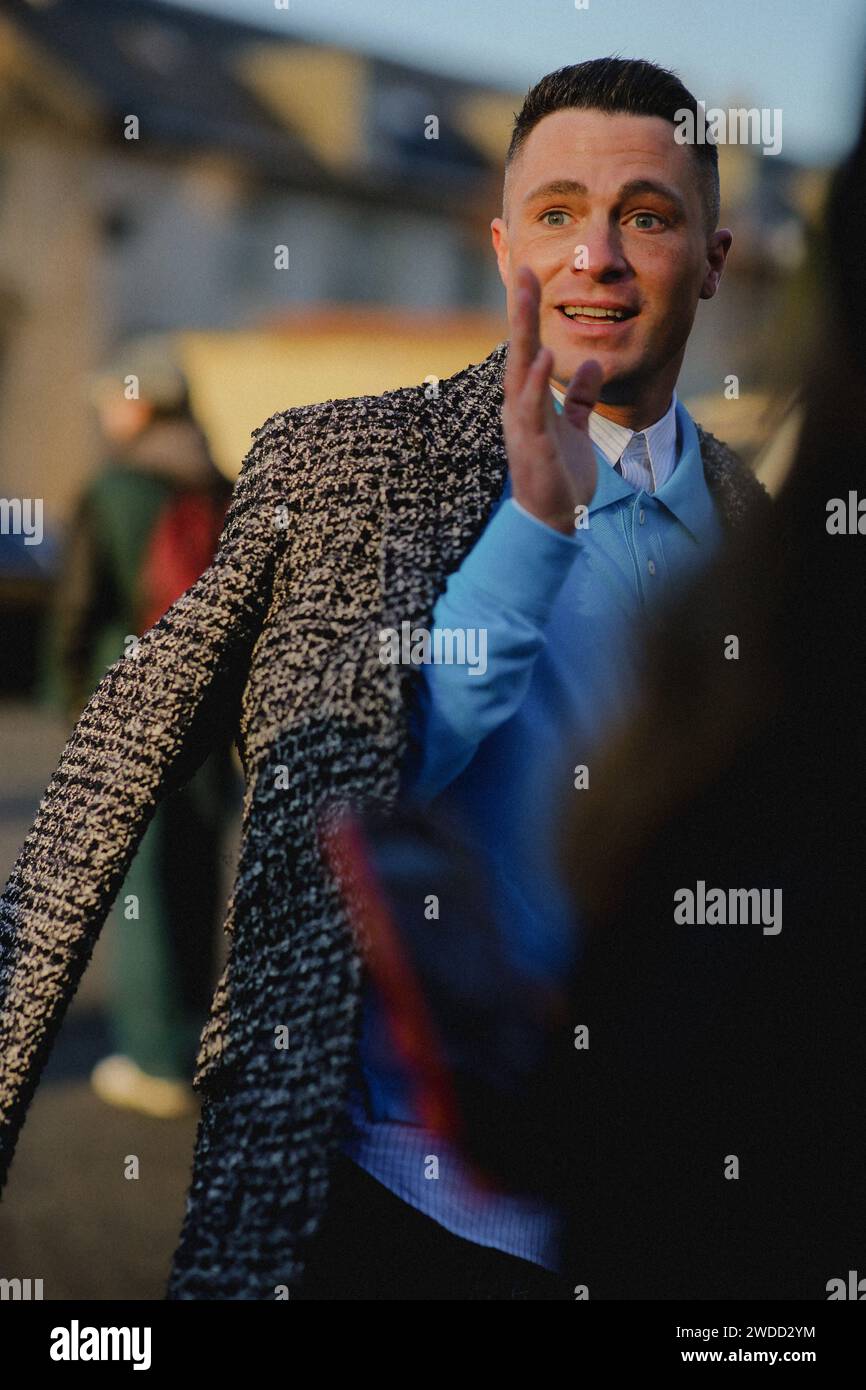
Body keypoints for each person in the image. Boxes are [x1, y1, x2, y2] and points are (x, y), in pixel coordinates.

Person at [0, 58, 768, 1300]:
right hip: (371, 1205)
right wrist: (529, 530)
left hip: (650, 1229)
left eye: (645, 215)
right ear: (502, 242)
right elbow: (246, 780)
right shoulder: (347, 462)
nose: (597, 258)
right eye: (558, 213)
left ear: (714, 257)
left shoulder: (760, 546)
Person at [37, 338, 238, 1117]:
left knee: (143, 890)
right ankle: (192, 1042)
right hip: (209, 707)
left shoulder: (117, 489)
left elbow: (78, 609)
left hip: (129, 703)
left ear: (141, 402)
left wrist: (70, 711)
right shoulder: (221, 481)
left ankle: (152, 1058)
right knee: (195, 876)